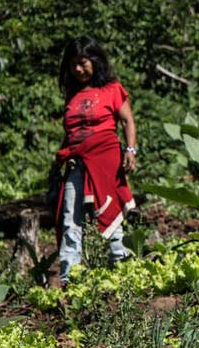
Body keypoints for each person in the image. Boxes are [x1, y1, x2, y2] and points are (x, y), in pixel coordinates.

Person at [53, 37, 137, 284]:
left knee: (111, 210)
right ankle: (70, 276)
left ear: (95, 61)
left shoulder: (112, 89)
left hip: (105, 159)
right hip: (76, 161)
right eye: (72, 65)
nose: (77, 69)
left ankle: (120, 267)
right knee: (70, 217)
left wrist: (131, 150)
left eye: (82, 63)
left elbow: (127, 121)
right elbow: (70, 132)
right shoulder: (72, 94)